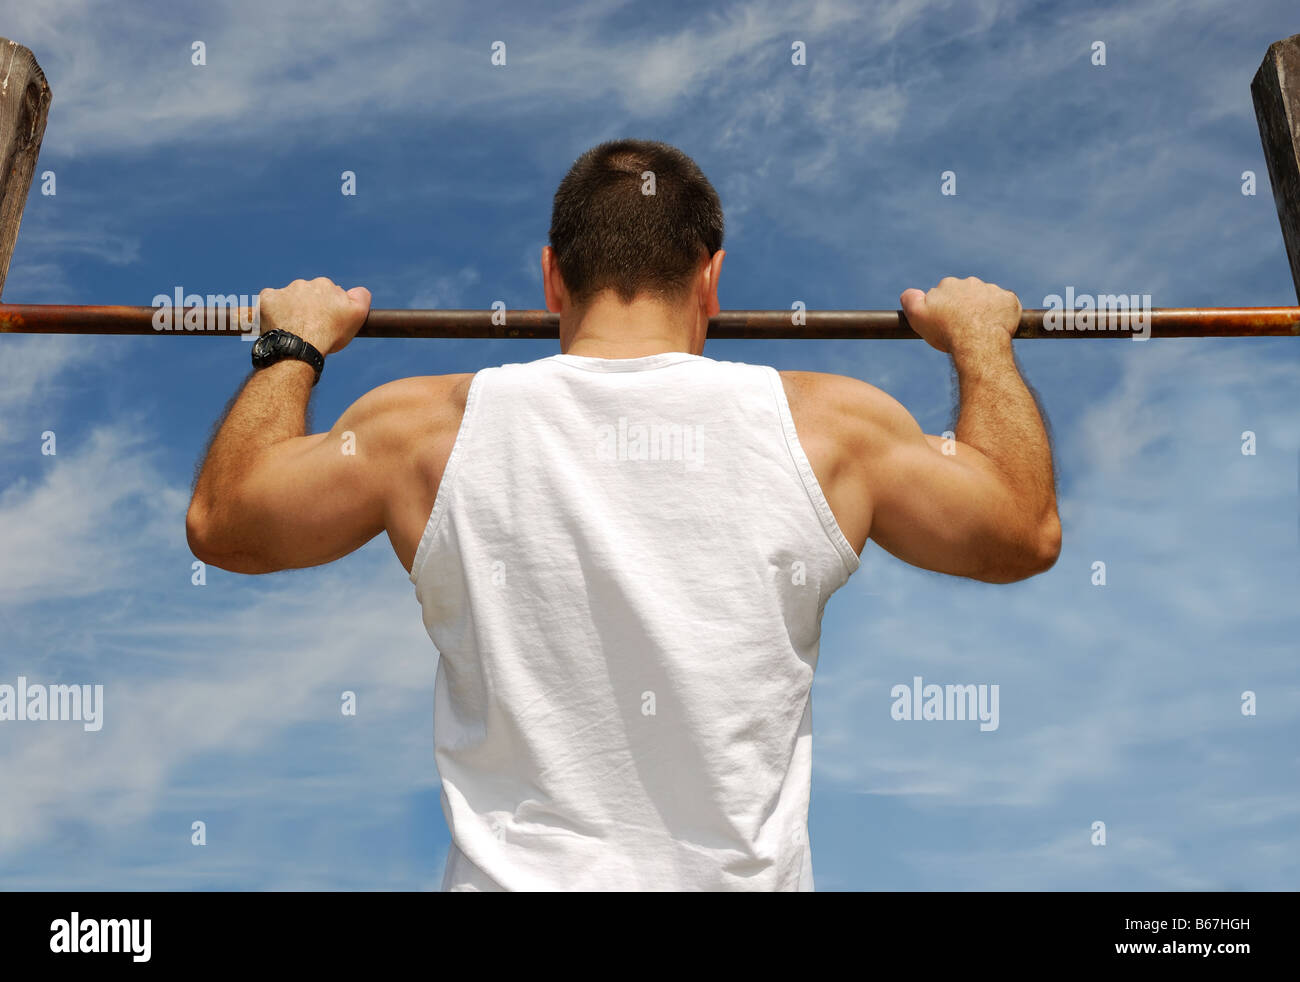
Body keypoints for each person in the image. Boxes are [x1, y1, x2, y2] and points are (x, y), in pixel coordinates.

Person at [186, 139, 1061, 891]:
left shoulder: (422, 428)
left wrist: (291, 345)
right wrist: (981, 341)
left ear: (552, 276)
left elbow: (227, 523)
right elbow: (1021, 531)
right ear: (712, 277)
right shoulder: (832, 427)